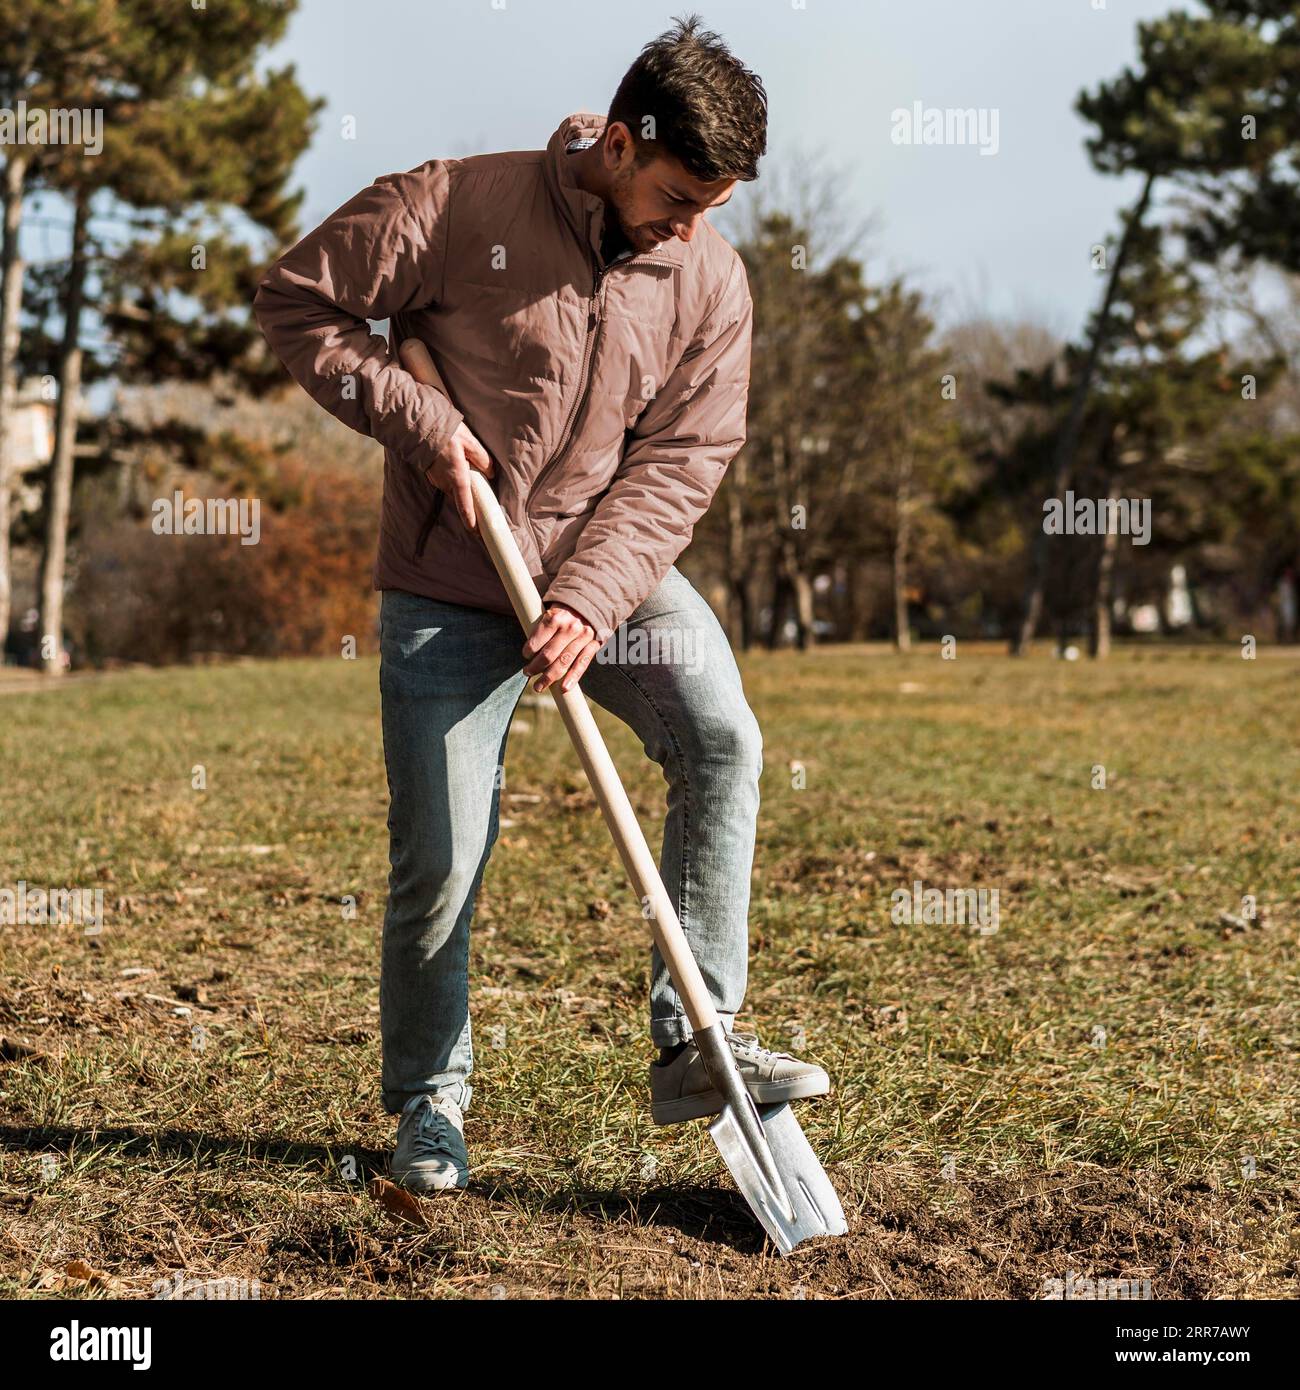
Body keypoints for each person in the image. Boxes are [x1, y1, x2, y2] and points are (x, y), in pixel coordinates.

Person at [254, 15, 829, 1195]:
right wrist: (420, 424)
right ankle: (429, 1106)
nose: (692, 225)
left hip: (603, 571)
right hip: (449, 579)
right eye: (677, 194)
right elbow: (298, 300)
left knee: (720, 737)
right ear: (618, 144)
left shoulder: (707, 276)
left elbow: (684, 458)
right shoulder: (455, 204)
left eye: (713, 205)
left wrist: (590, 596)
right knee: (444, 858)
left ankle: (695, 1040)